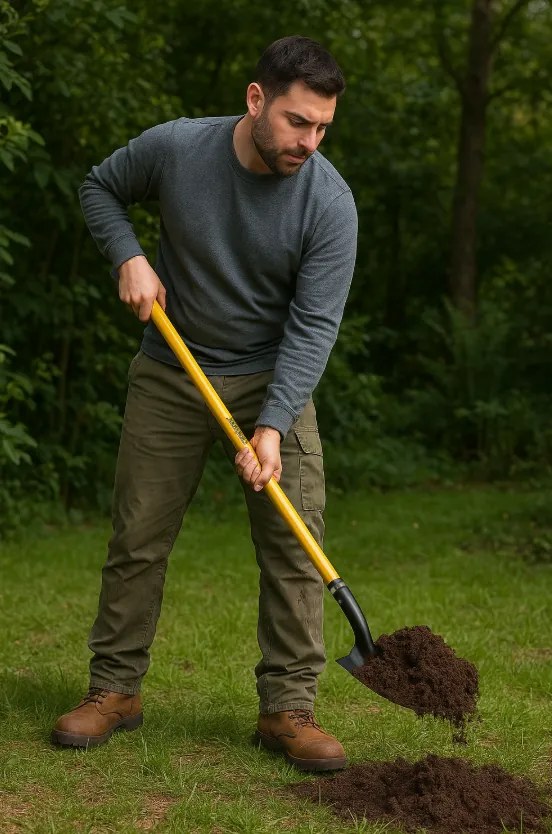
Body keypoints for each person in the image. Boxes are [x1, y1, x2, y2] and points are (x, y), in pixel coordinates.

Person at [52, 35, 358, 772]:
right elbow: (98, 187)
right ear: (256, 100)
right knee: (138, 537)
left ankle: (287, 708)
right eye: (295, 122)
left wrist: (273, 427)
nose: (308, 142)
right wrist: (128, 254)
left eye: (321, 127)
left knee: (292, 546)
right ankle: (114, 691)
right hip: (171, 370)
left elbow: (312, 327)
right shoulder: (176, 150)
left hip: (269, 375)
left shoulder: (328, 203)